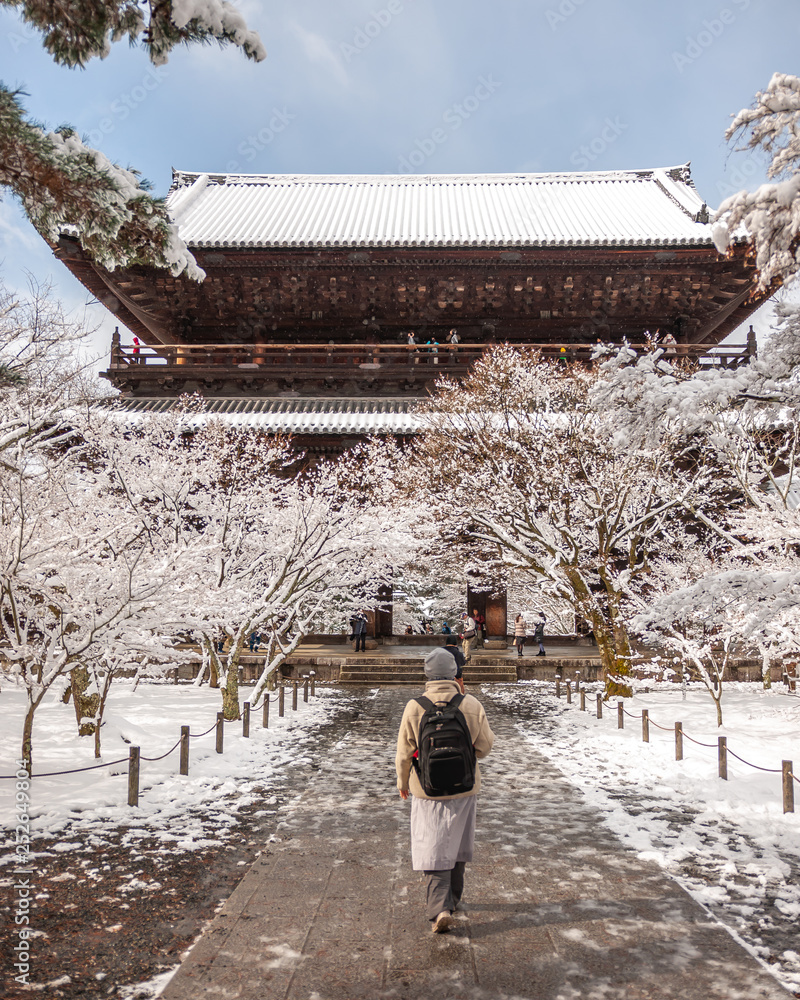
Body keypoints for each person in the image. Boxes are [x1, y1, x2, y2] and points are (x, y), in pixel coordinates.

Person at [395, 648, 495, 933]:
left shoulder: (415, 706)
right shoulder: (470, 703)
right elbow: (485, 747)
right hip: (464, 787)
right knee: (458, 842)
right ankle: (453, 898)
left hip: (427, 790)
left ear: (427, 675)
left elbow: (404, 753)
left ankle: (440, 909)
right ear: (455, 673)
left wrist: (403, 783)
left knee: (434, 844)